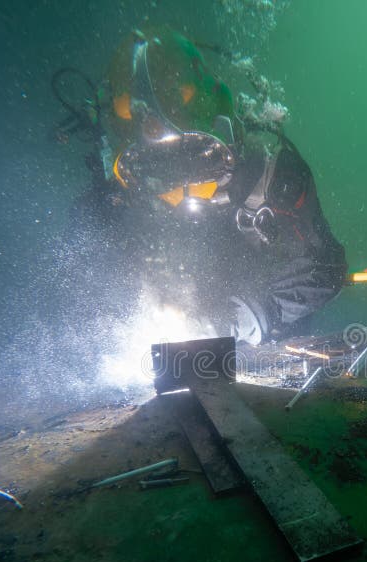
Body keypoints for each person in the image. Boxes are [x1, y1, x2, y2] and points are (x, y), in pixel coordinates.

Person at [68, 25, 346, 345]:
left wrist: (242, 319)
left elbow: (324, 268)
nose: (182, 183)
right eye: (158, 165)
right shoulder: (108, 205)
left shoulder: (274, 177)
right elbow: (81, 282)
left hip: (271, 338)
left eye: (192, 155)